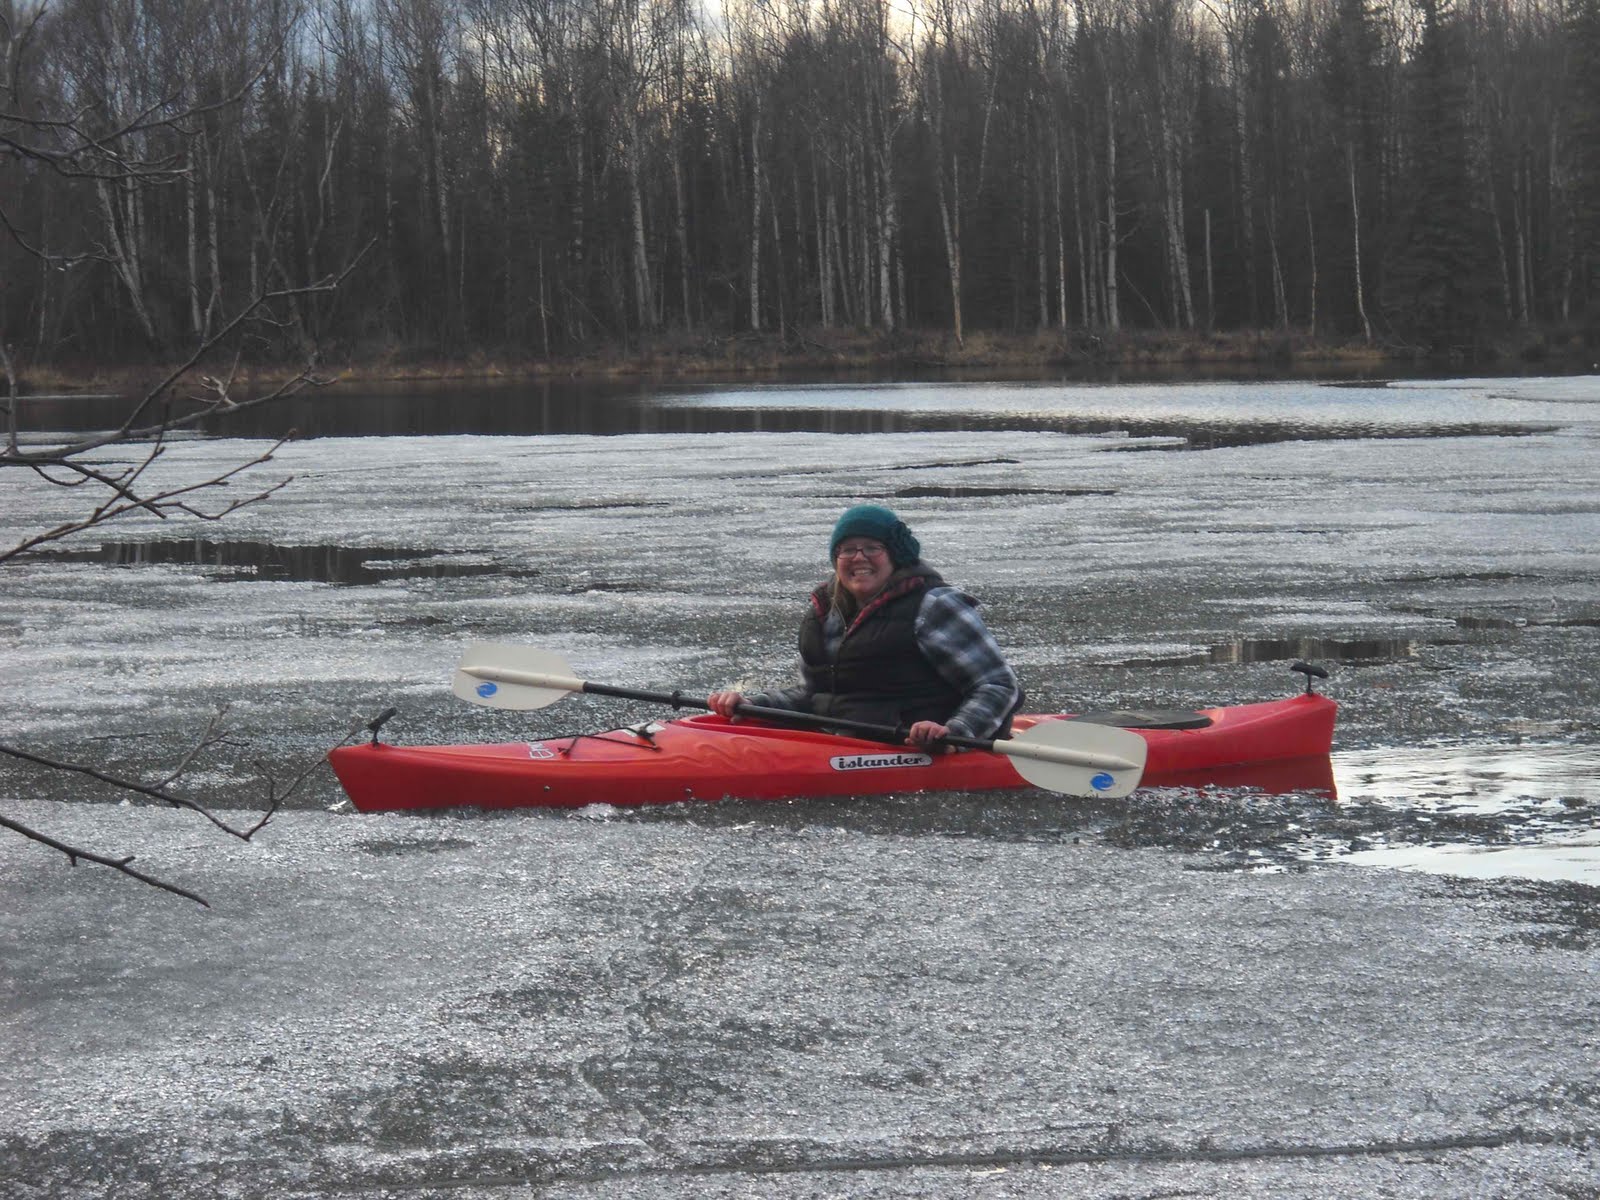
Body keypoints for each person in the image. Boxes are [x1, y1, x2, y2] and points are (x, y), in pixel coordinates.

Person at [708, 504, 1022, 748]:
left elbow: (997, 685)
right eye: (847, 549)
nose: (859, 558)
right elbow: (816, 694)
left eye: (872, 548)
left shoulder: (935, 605)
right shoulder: (825, 611)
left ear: (896, 557)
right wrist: (755, 705)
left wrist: (955, 732)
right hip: (835, 742)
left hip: (913, 747)